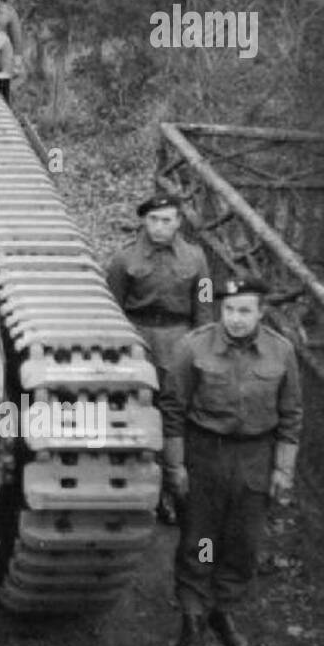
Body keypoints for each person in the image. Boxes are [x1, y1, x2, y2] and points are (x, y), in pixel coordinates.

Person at [159, 277, 302, 646]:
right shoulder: (193, 347)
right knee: (200, 542)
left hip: (256, 457)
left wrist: (283, 469)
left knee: (241, 544)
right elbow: (172, 410)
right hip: (206, 455)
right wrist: (176, 466)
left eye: (244, 311)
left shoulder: (281, 351)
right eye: (229, 310)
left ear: (261, 312)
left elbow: (291, 415)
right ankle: (192, 625)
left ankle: (223, 614)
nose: (236, 320)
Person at [107, 191, 210, 524]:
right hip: (138, 338)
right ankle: (128, 484)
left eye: (167, 220)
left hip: (180, 341)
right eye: (153, 219)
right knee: (132, 410)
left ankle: (171, 488)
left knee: (175, 414)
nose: (159, 227)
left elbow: (204, 307)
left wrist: (203, 349)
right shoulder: (124, 259)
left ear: (178, 222)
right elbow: (112, 308)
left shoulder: (196, 259)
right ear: (144, 221)